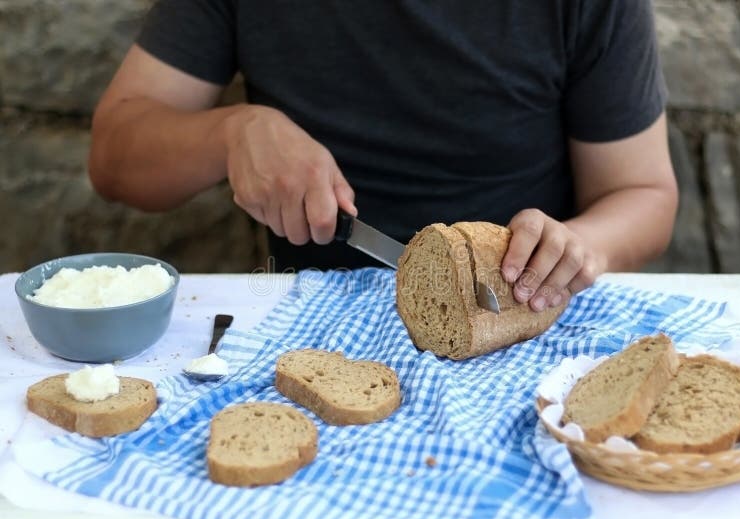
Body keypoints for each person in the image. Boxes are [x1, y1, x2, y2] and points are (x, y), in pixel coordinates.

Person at [88, 1, 678, 313]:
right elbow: (114, 159)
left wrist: (580, 246)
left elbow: (642, 193)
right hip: (305, 326)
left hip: (516, 314)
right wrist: (230, 132)